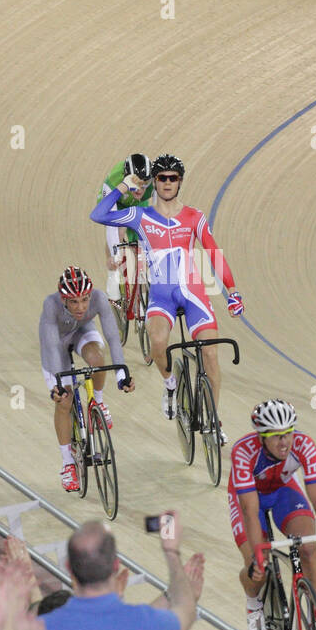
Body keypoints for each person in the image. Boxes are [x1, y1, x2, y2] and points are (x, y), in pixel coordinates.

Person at [90, 153, 243, 441]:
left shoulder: (194, 216)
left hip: (194, 292)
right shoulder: (140, 215)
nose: (168, 183)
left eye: (173, 178)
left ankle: (214, 419)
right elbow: (98, 215)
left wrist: (232, 292)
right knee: (158, 342)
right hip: (162, 295)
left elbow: (213, 252)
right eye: (162, 178)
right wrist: (125, 185)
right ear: (154, 183)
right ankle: (170, 384)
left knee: (210, 353)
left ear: (180, 182)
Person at [229, 399, 316, 630]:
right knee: (259, 567)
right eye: (277, 436)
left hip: (283, 492)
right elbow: (249, 510)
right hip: (249, 498)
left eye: (288, 433)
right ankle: (253, 605)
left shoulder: (304, 445)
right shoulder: (243, 451)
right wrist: (257, 558)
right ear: (262, 437)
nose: (285, 442)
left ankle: (314, 618)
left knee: (308, 547)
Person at [39, 516, 198, 630]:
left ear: (69, 568)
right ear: (115, 565)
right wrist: (171, 551)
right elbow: (186, 608)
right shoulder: (148, 624)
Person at [40, 265, 133, 493]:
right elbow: (52, 348)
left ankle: (98, 402)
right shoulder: (51, 305)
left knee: (98, 359)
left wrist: (122, 374)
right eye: (73, 302)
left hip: (82, 332)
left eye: (84, 300)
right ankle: (67, 464)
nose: (80, 307)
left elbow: (112, 337)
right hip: (56, 343)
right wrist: (57, 387)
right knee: (65, 401)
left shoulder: (99, 298)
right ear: (64, 300)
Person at [97, 153, 152, 298]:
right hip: (115, 200)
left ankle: (141, 295)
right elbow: (111, 226)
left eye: (144, 184)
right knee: (119, 230)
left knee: (142, 244)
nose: (140, 189)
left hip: (136, 203)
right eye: (136, 184)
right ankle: (113, 274)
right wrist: (114, 255)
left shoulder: (152, 184)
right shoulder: (114, 182)